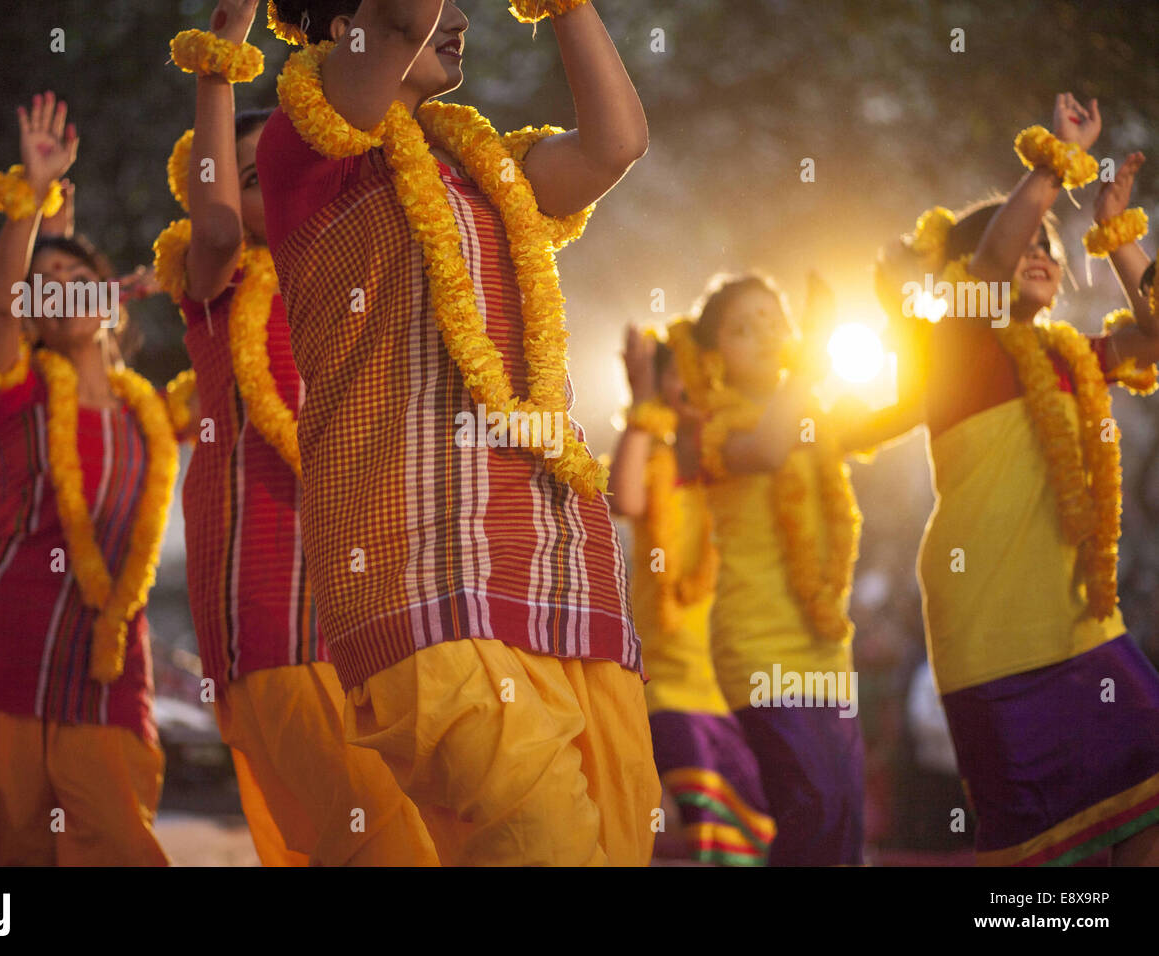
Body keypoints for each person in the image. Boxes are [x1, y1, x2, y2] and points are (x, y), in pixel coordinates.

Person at [256, 0, 659, 864]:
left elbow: (615, 144)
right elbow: (401, 23)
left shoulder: (486, 171)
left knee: (616, 847)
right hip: (419, 569)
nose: (459, 16)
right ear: (342, 28)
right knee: (549, 848)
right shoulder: (304, 153)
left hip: (557, 571)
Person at [159, 0, 436, 865]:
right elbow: (211, 218)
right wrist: (221, 64)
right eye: (247, 177)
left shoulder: (346, 279)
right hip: (275, 609)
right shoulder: (223, 282)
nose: (264, 188)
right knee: (371, 844)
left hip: (374, 610)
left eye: (268, 170)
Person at [881, 93, 1159, 866]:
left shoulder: (1080, 359)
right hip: (991, 632)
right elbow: (992, 263)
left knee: (1149, 793)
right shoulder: (956, 346)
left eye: (1049, 240)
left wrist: (1114, 228)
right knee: (1034, 858)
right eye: (1026, 234)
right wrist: (1053, 164)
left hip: (1082, 621)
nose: (1038, 247)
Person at [0, 93, 178, 866]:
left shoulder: (152, 413)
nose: (58, 283)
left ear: (107, 300)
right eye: (45, 278)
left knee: (119, 847)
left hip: (107, 667)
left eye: (76, 273)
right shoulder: (14, 391)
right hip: (8, 648)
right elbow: (0, 298)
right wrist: (31, 197)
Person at [673, 272, 899, 866]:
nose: (765, 334)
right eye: (744, 329)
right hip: (757, 639)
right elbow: (768, 449)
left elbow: (899, 413)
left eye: (774, 320)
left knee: (845, 812)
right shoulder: (708, 425)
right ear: (716, 356)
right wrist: (808, 361)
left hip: (821, 641)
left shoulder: (813, 415)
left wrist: (909, 314)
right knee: (813, 801)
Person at [609, 327, 775, 865]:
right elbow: (623, 495)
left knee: (750, 834)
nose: (690, 385)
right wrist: (638, 405)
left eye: (698, 373)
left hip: (733, 679)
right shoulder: (653, 460)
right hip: (670, 681)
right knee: (709, 825)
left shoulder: (731, 462)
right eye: (675, 373)